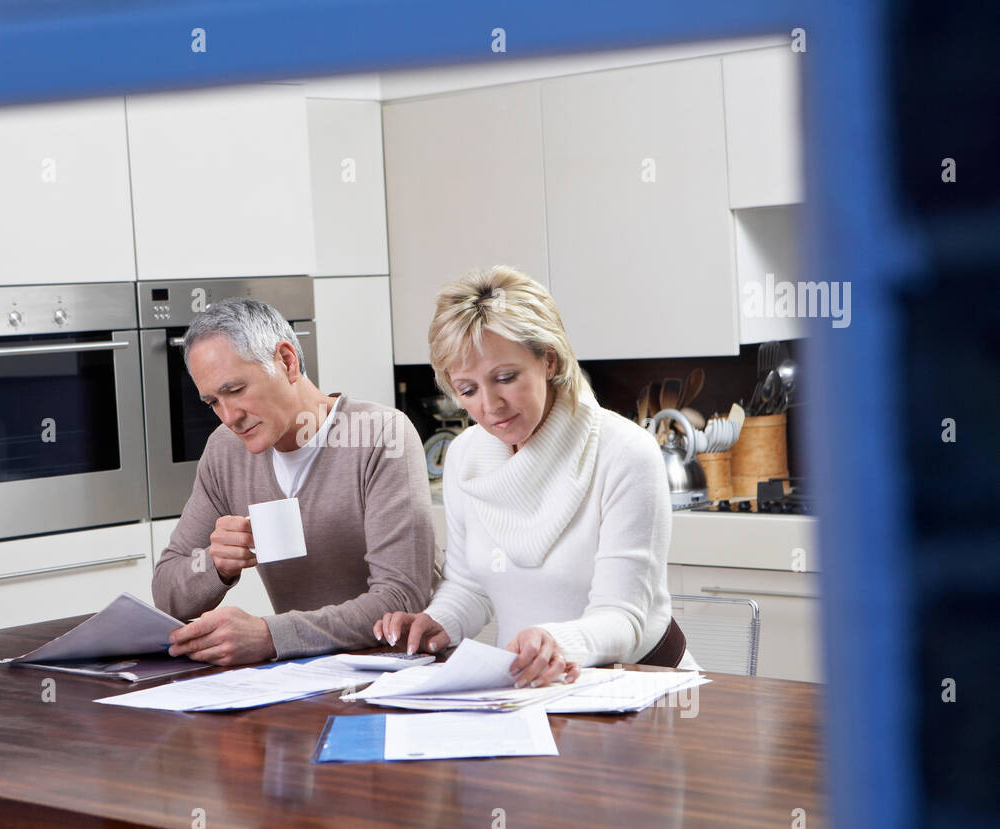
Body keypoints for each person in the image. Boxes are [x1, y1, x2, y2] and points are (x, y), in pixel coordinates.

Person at [373, 265, 698, 687]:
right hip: (528, 692)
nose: (490, 405)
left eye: (505, 378)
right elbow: (469, 586)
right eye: (467, 390)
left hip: (635, 689)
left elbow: (624, 619)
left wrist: (556, 642)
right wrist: (439, 622)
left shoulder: (625, 453)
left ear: (549, 359)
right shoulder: (465, 460)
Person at [152, 296, 436, 665]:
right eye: (213, 402)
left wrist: (272, 636)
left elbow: (400, 600)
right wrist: (215, 565)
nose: (229, 417)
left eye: (236, 390)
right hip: (301, 680)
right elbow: (166, 594)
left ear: (287, 361)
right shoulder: (225, 452)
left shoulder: (380, 436)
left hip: (398, 674)